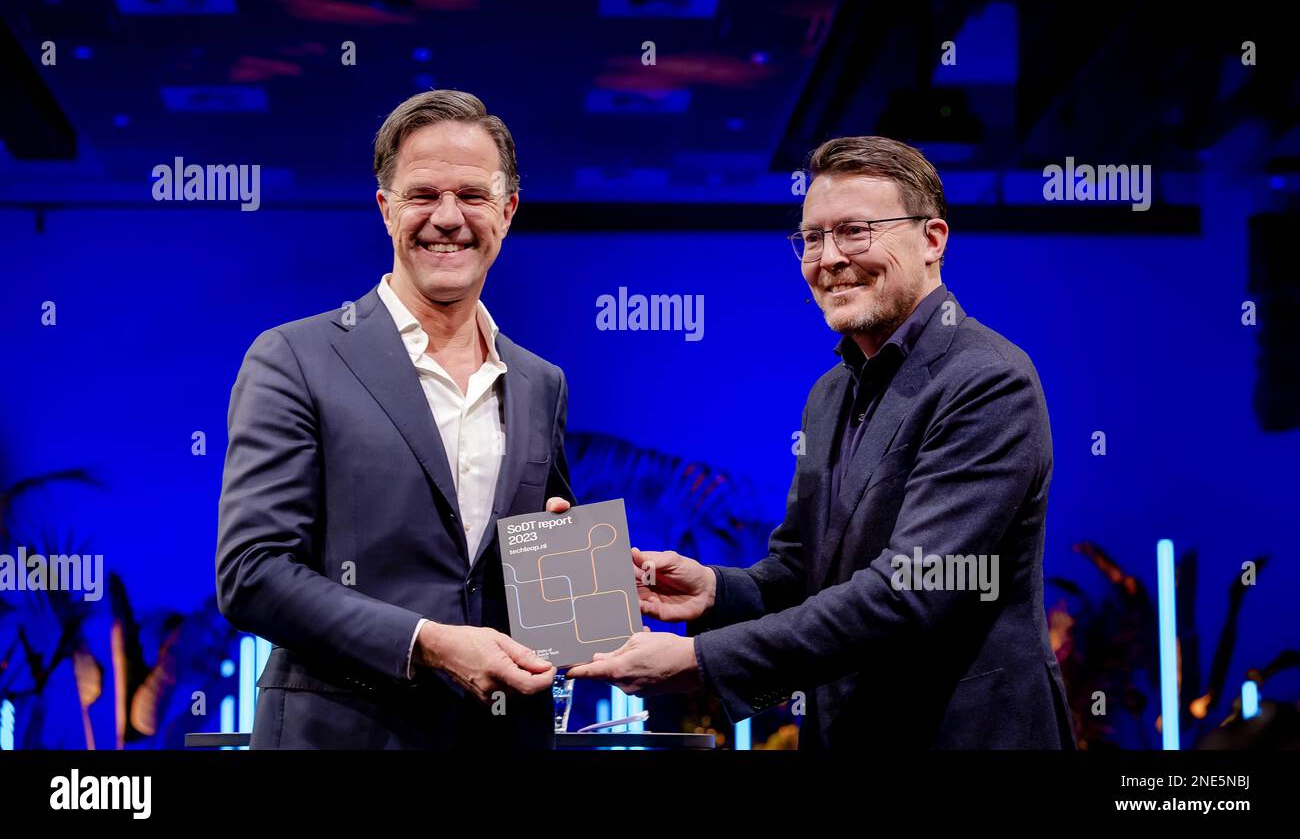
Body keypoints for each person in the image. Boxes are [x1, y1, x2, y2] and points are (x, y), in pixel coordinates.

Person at [569, 136, 1075, 749]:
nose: (828, 258)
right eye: (811, 238)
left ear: (933, 240)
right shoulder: (831, 393)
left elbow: (909, 594)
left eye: (855, 232)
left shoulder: (989, 379)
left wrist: (700, 660)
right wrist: (715, 591)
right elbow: (802, 569)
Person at [217, 90, 573, 748]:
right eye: (422, 195)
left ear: (508, 210)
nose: (447, 218)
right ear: (386, 210)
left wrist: (575, 586)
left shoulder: (539, 382)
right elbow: (253, 572)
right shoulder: (294, 357)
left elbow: (534, 586)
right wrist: (429, 644)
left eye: (471, 194)